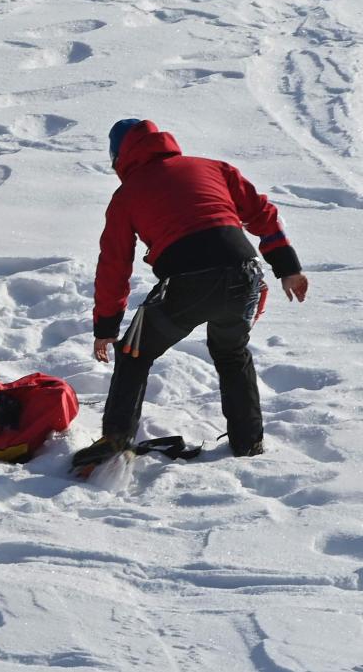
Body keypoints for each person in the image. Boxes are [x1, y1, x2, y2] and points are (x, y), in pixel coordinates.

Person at [72, 118, 310, 473]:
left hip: (188, 283)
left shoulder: (127, 194)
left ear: (119, 156)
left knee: (133, 353)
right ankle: (248, 443)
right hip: (245, 276)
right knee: (231, 352)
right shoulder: (212, 167)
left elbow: (114, 264)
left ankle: (116, 441)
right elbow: (263, 214)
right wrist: (288, 267)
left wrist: (106, 326)